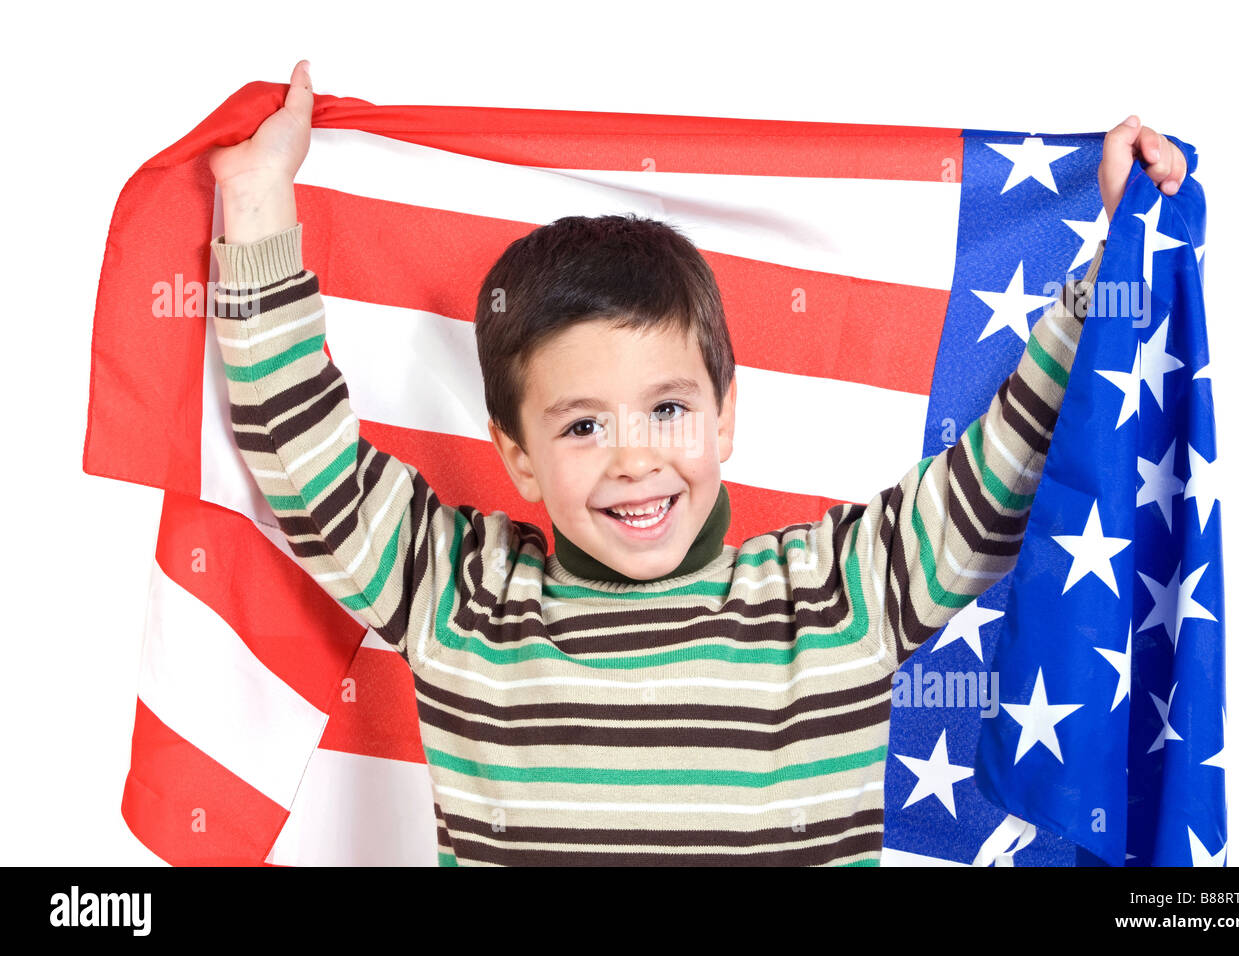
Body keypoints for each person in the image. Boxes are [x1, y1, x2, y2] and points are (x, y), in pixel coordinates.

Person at [207, 60, 1187, 865]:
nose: (634, 456)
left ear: (724, 417)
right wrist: (255, 208)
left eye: (668, 408)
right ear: (517, 454)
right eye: (582, 425)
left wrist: (1115, 248)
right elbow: (310, 461)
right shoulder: (461, 596)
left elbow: (1003, 467)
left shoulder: (835, 595)